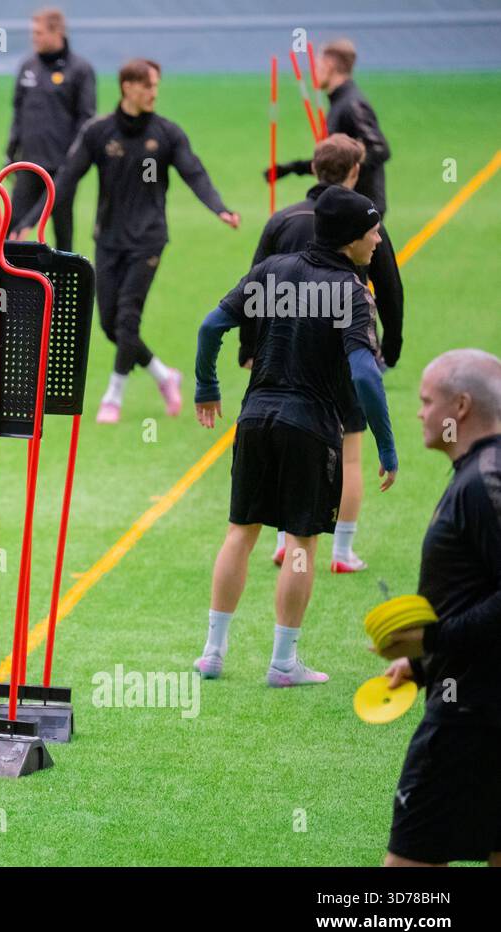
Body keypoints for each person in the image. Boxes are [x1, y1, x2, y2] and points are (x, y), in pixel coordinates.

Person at [191, 187, 397, 687]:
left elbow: (210, 326)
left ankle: (213, 654)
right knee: (301, 543)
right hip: (310, 430)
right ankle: (283, 663)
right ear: (351, 238)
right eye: (373, 230)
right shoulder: (351, 292)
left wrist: (207, 385)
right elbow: (367, 376)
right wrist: (386, 444)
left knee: (241, 531)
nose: (378, 239)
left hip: (255, 419)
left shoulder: (272, 271)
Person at [16, 58, 239, 423]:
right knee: (108, 323)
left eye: (156, 86)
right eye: (148, 86)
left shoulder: (167, 133)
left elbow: (193, 172)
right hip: (108, 239)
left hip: (148, 240)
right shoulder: (98, 132)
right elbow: (66, 179)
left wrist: (220, 209)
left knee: (128, 320)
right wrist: (30, 218)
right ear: (127, 87)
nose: (154, 93)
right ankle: (164, 375)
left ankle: (113, 395)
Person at [243, 133, 405, 573]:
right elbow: (389, 289)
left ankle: (284, 537)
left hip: (281, 352)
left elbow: (252, 282)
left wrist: (248, 347)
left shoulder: (282, 219)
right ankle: (341, 551)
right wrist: (390, 347)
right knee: (348, 452)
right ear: (355, 172)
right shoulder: (366, 226)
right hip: (343, 351)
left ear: (314, 169)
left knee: (287, 439)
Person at [377, 349, 501, 867]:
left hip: (468, 717)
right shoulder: (480, 472)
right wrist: (423, 664)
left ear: (462, 407)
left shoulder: (483, 483)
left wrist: (432, 640)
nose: (420, 413)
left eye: (428, 402)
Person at [3, 7, 95, 251]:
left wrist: (74, 160)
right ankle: (12, 285)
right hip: (29, 164)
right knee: (13, 227)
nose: (34, 38)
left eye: (39, 33)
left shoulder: (80, 70)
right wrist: (10, 153)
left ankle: (63, 286)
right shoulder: (28, 67)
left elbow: (86, 120)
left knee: (62, 230)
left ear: (57, 33)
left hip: (62, 167)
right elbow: (18, 113)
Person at [269, 38, 391, 217]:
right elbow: (336, 158)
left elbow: (380, 149)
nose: (313, 72)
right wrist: (293, 168)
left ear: (329, 65)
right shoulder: (339, 102)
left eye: (317, 66)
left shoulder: (352, 104)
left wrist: (348, 165)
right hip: (349, 205)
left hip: (361, 210)